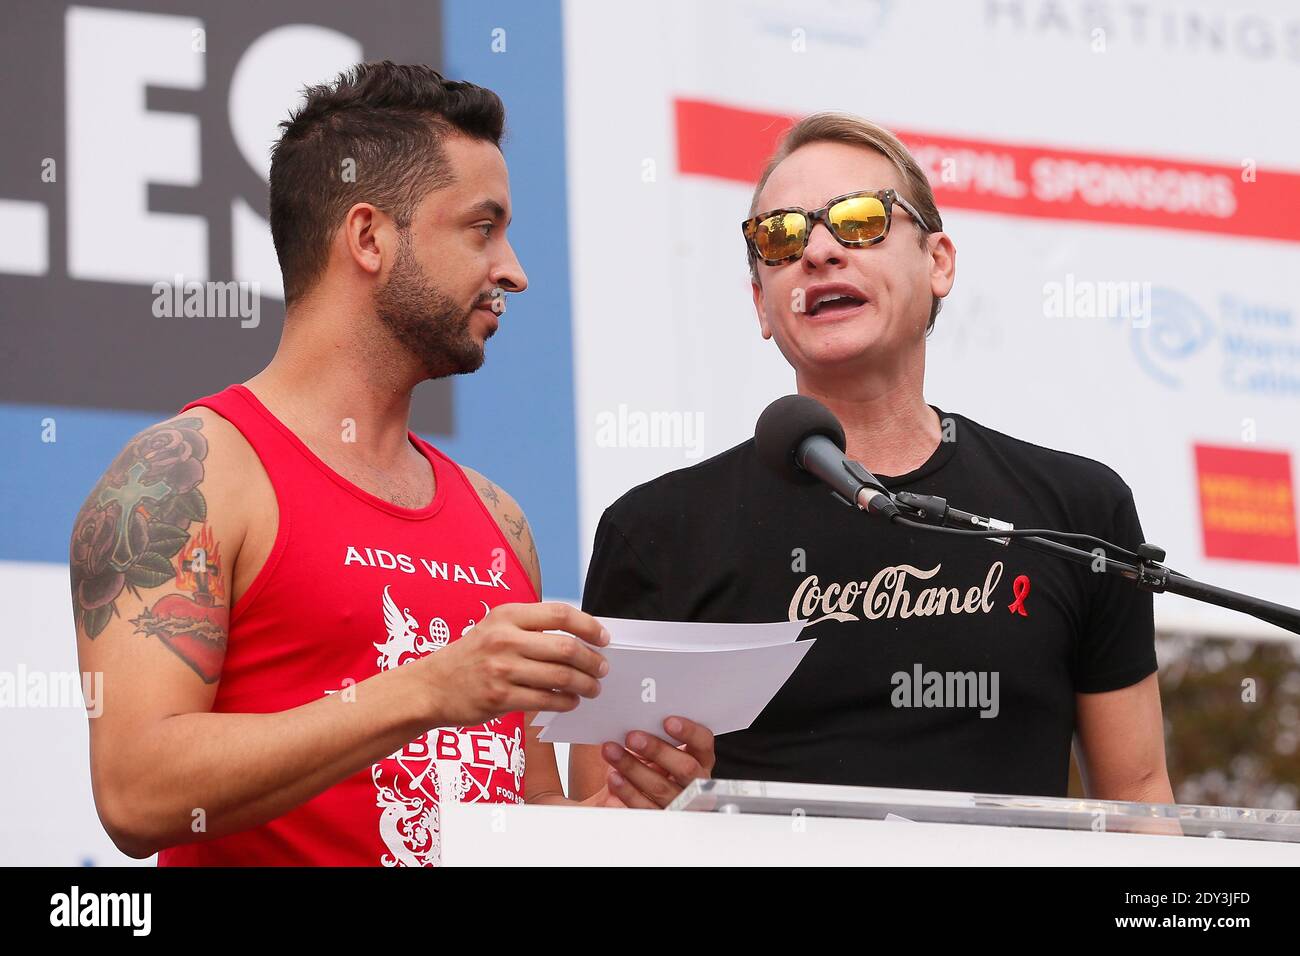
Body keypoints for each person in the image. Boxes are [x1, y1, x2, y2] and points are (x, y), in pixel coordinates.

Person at [69, 61, 713, 866]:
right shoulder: (190, 472)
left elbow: (528, 815)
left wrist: (620, 812)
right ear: (369, 237)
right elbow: (136, 792)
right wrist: (428, 690)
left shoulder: (499, 519)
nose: (513, 270)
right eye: (483, 229)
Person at [571, 112, 1174, 805]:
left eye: (861, 220)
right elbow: (605, 822)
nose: (819, 251)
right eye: (781, 236)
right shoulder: (656, 531)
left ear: (938, 262)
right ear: (763, 306)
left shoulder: (1077, 511)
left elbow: (1139, 805)